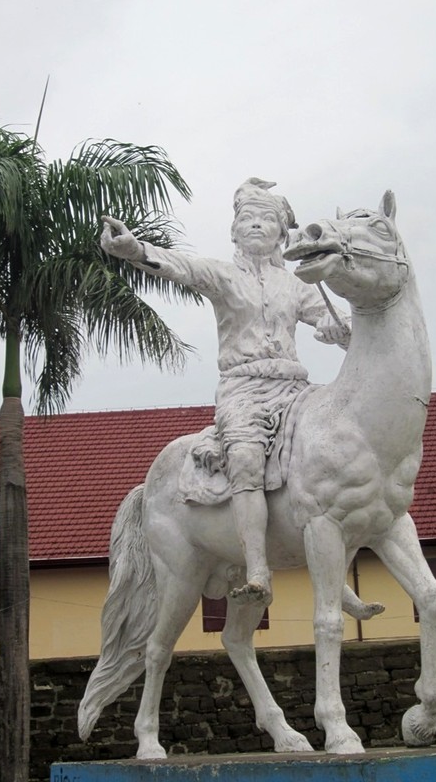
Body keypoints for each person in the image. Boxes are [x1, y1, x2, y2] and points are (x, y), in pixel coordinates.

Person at [100, 178, 350, 605]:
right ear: (234, 230)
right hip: (244, 389)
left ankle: (334, 571)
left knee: (335, 452)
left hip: (295, 388)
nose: (256, 225)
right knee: (247, 458)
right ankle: (256, 566)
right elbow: (179, 266)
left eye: (267, 219)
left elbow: (332, 318)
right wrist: (134, 250)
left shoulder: (295, 285)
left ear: (280, 233)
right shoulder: (222, 274)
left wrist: (337, 324)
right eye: (246, 218)